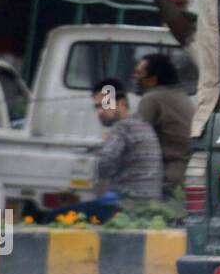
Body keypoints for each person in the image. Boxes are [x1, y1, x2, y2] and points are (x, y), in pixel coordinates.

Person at [45, 77, 164, 224]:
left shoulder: (121, 128)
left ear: (122, 104)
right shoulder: (143, 125)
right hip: (149, 205)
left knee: (54, 216)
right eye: (97, 107)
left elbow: (105, 162)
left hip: (125, 206)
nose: (100, 112)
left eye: (105, 105)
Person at [133, 52, 194, 193]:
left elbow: (137, 139)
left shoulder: (152, 98)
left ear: (153, 80)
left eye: (139, 74)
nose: (136, 78)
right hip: (186, 170)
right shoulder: (180, 95)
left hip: (169, 175)